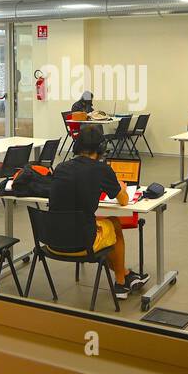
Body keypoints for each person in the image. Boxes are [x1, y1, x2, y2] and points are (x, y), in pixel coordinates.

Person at [48, 126, 149, 299]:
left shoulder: (61, 167)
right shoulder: (102, 169)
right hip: (82, 243)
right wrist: (120, 185)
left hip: (52, 241)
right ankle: (120, 283)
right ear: (101, 149)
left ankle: (125, 273)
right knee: (114, 223)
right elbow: (124, 200)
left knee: (101, 225)